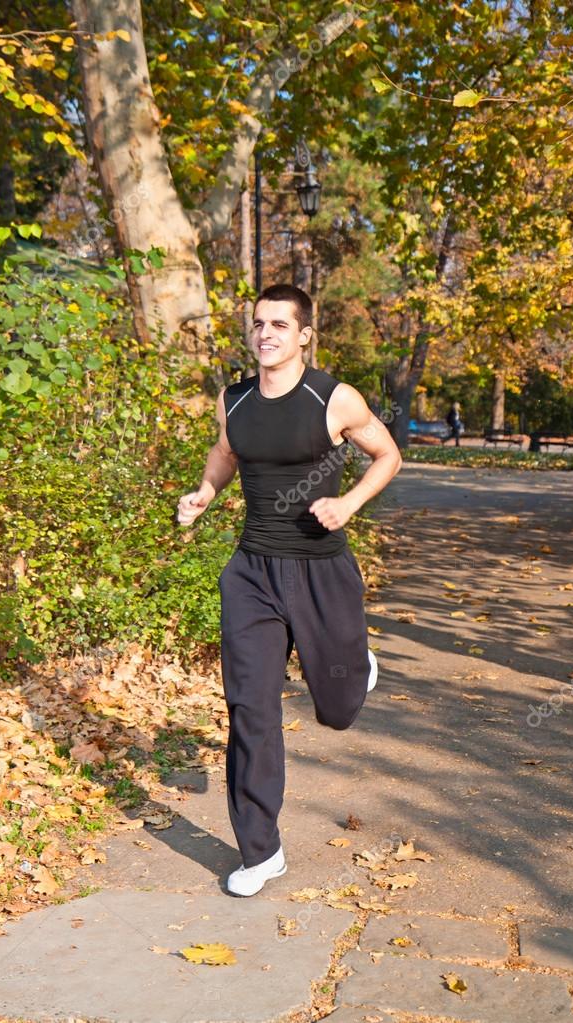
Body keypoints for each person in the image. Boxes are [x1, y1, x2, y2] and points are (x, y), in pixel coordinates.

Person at [177, 284, 402, 897]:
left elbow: (388, 455)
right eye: (258, 323)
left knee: (338, 709)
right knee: (250, 707)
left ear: (304, 334)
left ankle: (356, 665)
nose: (266, 333)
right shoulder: (235, 399)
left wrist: (350, 502)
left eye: (280, 324)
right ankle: (261, 851)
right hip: (251, 570)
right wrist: (205, 491)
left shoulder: (333, 399)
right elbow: (226, 452)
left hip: (320, 570)